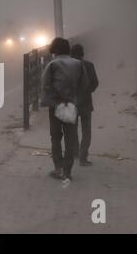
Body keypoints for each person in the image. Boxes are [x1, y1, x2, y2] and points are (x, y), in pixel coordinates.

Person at [41, 38, 89, 181]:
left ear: (54, 49)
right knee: (71, 138)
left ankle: (58, 168)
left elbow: (45, 85)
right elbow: (84, 84)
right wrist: (74, 99)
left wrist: (52, 101)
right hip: (72, 105)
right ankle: (67, 171)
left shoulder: (52, 64)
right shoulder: (78, 64)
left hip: (56, 106)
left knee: (55, 137)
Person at [71, 44, 99, 166]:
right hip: (86, 103)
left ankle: (75, 153)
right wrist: (87, 91)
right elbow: (95, 83)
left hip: (72, 103)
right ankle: (83, 157)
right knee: (86, 130)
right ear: (83, 53)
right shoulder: (89, 65)